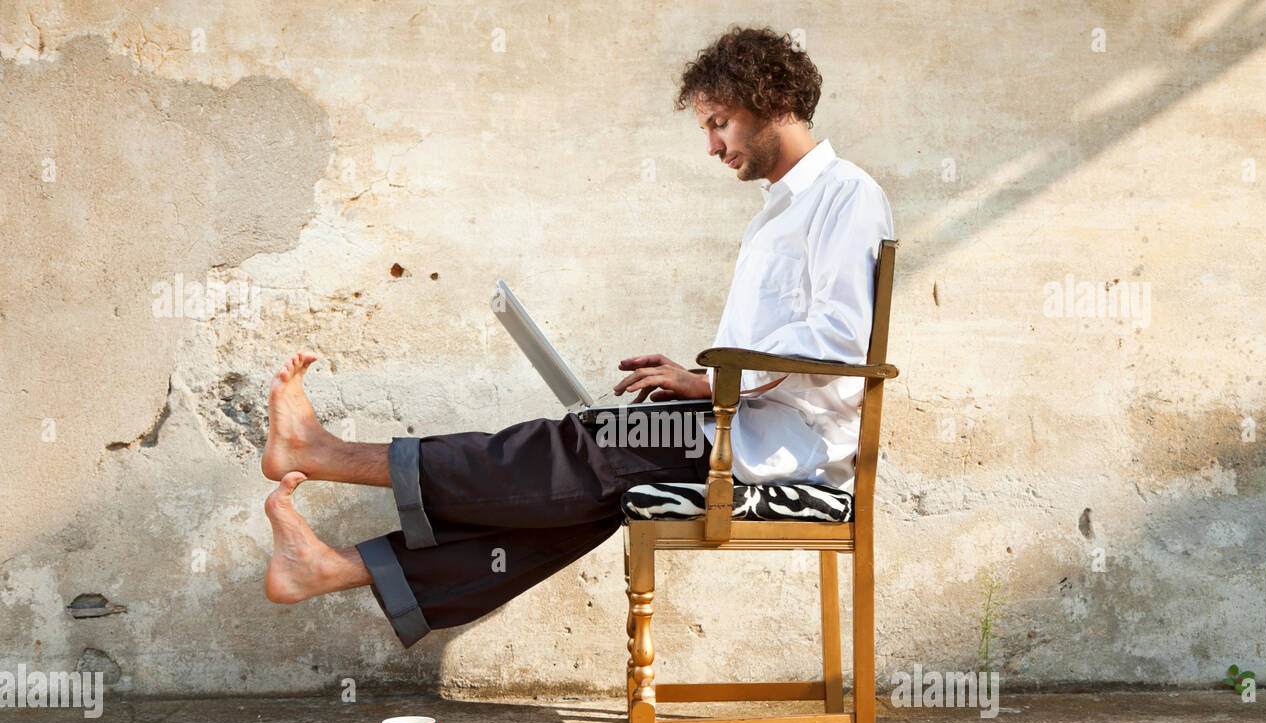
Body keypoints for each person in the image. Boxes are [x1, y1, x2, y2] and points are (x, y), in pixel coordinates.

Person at [262, 25, 894, 649]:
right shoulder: (774, 215)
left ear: (770, 102)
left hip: (787, 448)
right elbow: (776, 348)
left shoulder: (846, 195)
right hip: (735, 424)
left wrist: (706, 383)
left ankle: (322, 455)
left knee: (576, 447)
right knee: (572, 493)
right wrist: (697, 384)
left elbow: (837, 338)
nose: (710, 145)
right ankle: (331, 567)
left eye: (719, 122)